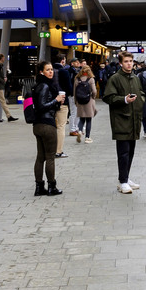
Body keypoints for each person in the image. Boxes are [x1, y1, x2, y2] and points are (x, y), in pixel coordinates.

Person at [102, 53, 144, 193]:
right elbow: (108, 97)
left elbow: (142, 93)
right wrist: (124, 100)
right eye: (126, 61)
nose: (129, 64)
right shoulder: (115, 79)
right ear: (120, 63)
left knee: (130, 151)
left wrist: (140, 101)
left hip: (134, 120)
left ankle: (125, 177)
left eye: (131, 61)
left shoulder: (135, 78)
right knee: (123, 153)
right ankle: (123, 181)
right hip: (121, 120)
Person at [30, 62, 66, 196]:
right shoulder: (45, 86)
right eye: (47, 70)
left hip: (37, 125)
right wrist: (56, 100)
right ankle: (52, 186)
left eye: (51, 70)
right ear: (41, 72)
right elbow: (42, 106)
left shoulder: (38, 85)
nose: (51, 72)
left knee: (40, 157)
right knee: (50, 157)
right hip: (47, 125)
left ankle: (39, 187)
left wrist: (56, 102)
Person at [53, 55, 72, 158]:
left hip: (51, 102)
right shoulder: (64, 71)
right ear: (62, 61)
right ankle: (58, 151)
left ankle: (50, 149)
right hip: (62, 102)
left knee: (52, 126)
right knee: (61, 126)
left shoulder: (50, 70)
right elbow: (69, 88)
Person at [0, 52, 18, 122]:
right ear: (1, 58)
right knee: (3, 101)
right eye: (3, 57)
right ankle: (9, 116)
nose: (4, 59)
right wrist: (2, 80)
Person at [73, 64, 97, 144]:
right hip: (89, 101)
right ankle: (87, 137)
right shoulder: (91, 79)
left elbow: (74, 92)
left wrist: (76, 101)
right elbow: (94, 91)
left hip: (80, 101)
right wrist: (93, 97)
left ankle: (79, 131)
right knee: (89, 120)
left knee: (81, 119)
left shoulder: (77, 79)